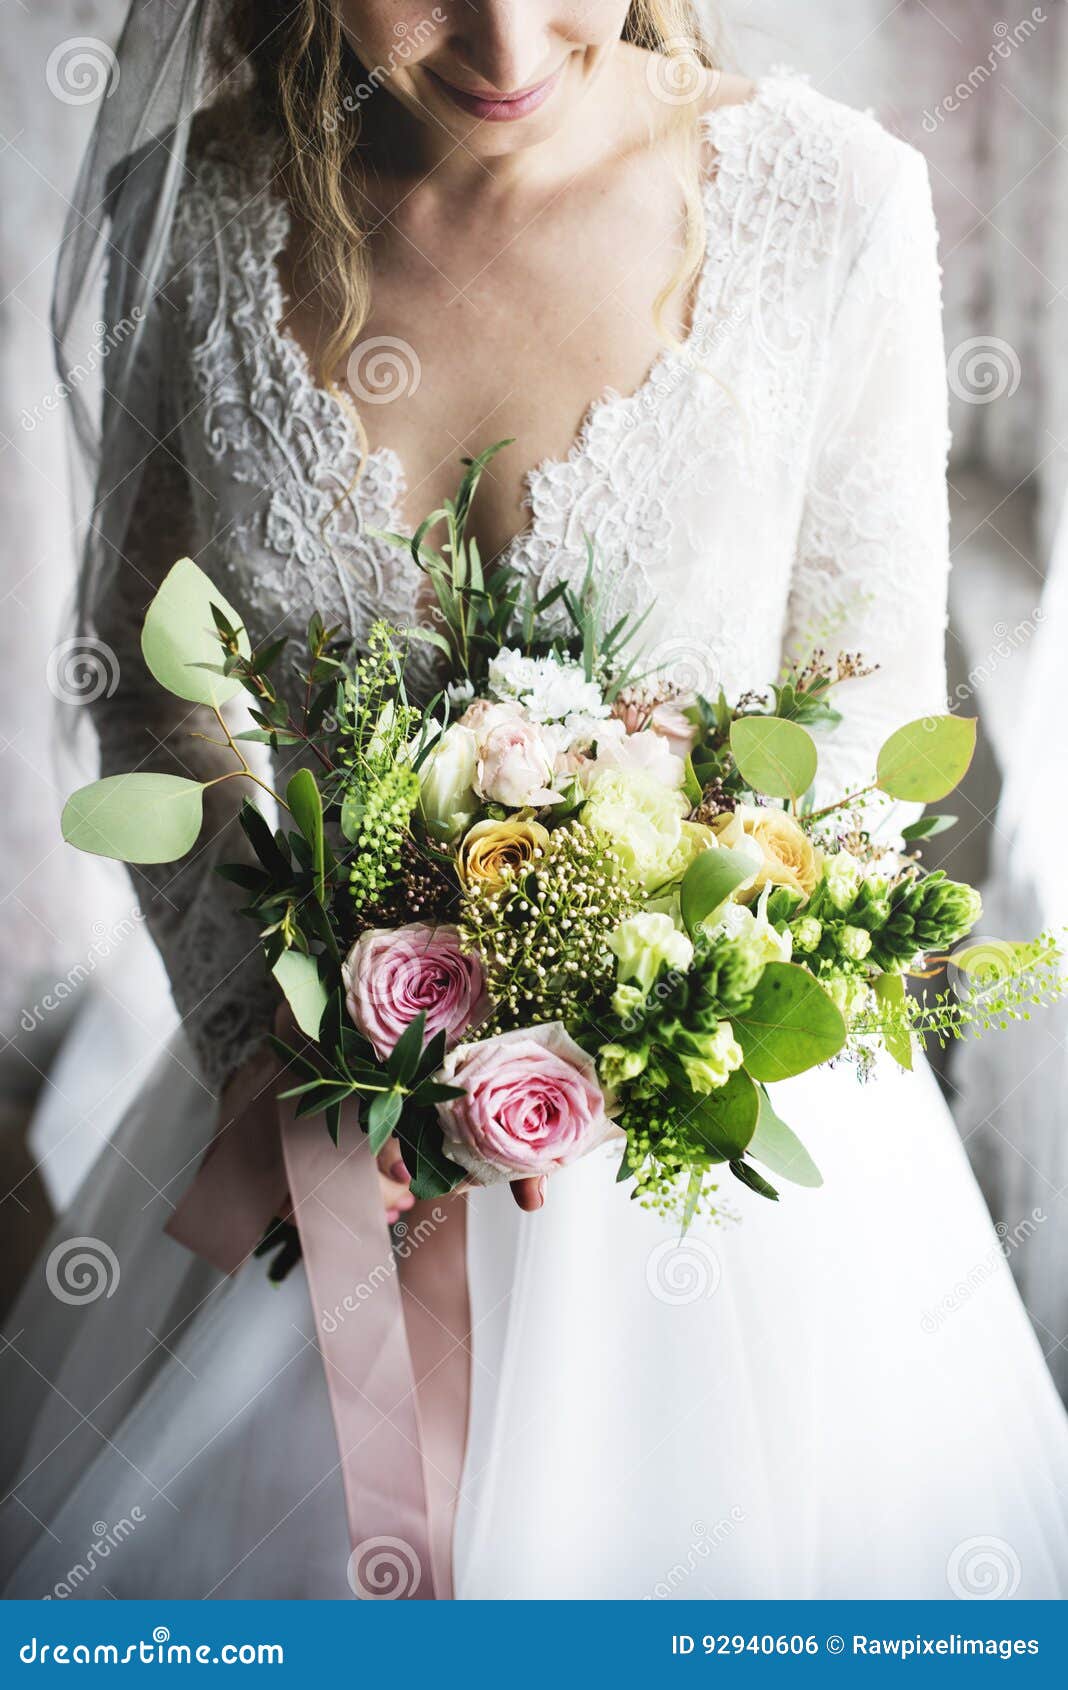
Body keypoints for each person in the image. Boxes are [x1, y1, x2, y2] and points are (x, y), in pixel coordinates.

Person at [3, 0, 1067, 1599]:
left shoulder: (832, 203)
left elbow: (863, 715)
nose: (504, 41)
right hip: (315, 1114)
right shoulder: (188, 216)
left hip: (713, 1149)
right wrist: (282, 1052)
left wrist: (647, 993)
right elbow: (149, 687)